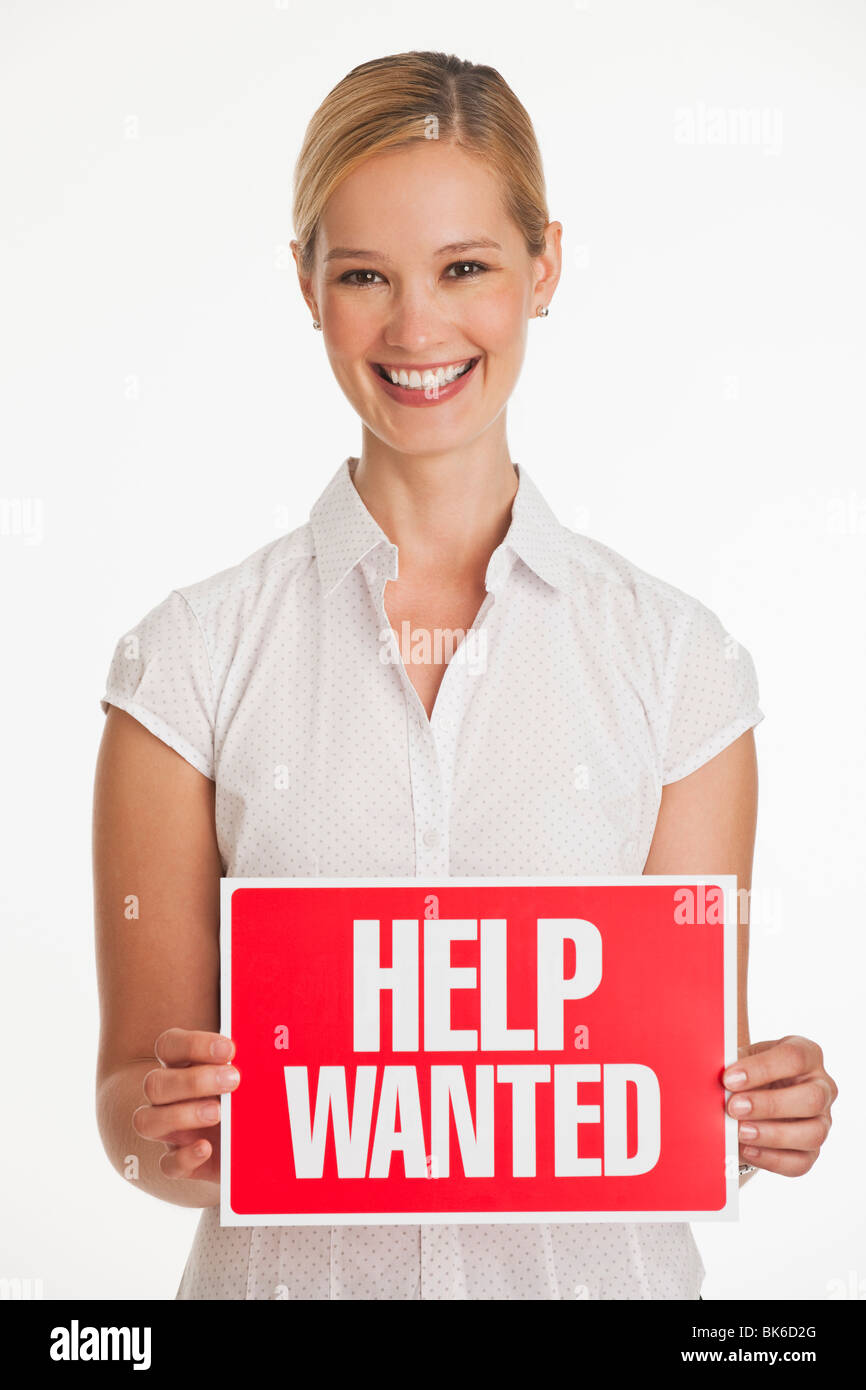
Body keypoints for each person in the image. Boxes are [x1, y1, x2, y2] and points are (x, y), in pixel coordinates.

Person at [93, 49, 836, 1301]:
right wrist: (164, 1127)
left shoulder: (675, 663)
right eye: (364, 276)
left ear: (541, 265)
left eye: (464, 269)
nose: (416, 328)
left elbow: (676, 1094)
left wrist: (763, 1114)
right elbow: (127, 1103)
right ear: (306, 284)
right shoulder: (188, 662)